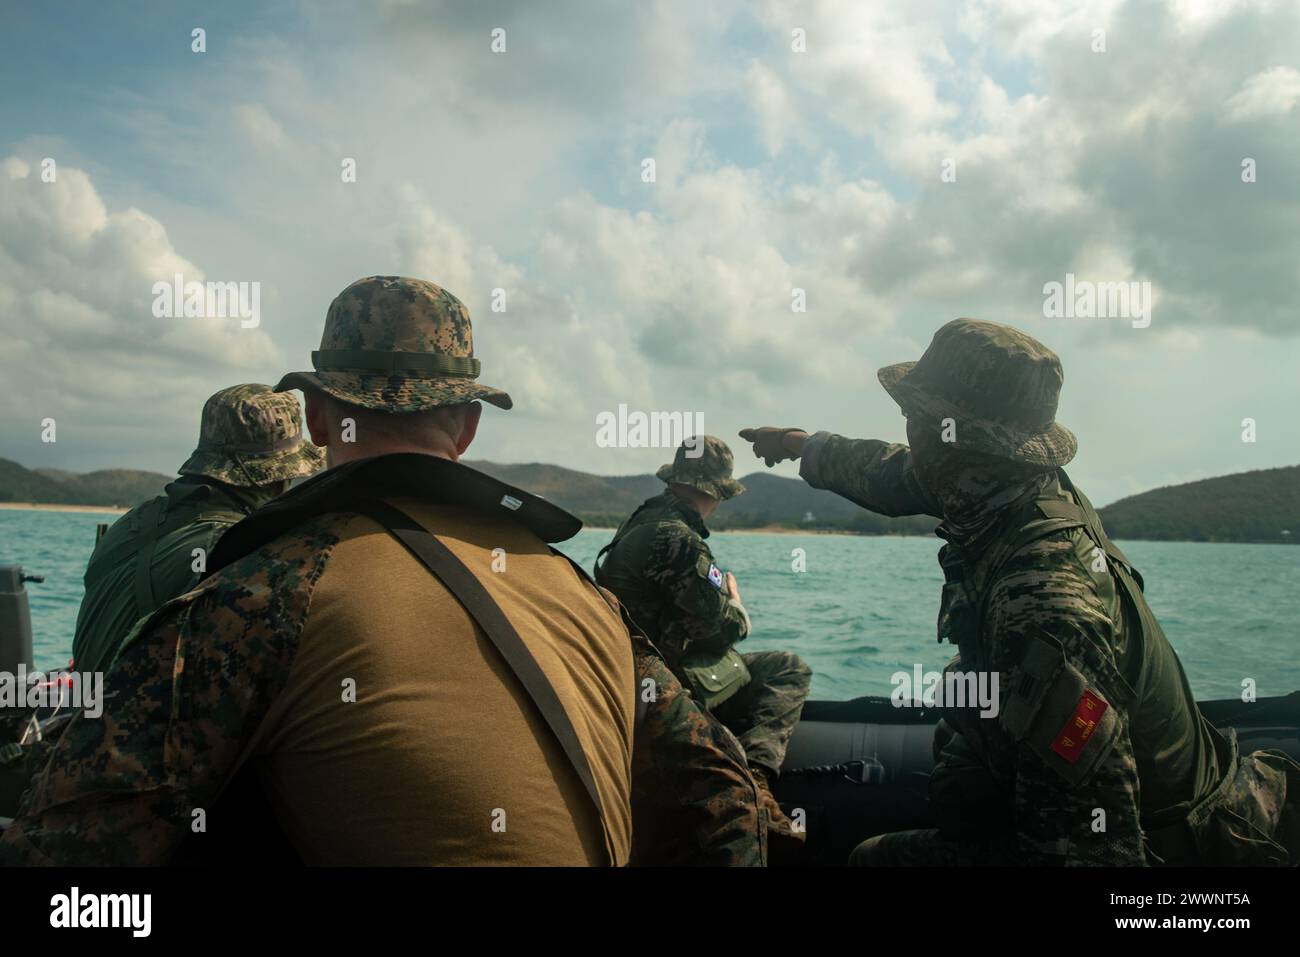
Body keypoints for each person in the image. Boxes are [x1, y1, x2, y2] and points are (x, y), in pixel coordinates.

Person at [0, 276, 763, 867]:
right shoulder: (581, 593)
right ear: (467, 427)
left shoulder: (261, 594)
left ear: (319, 417)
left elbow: (65, 856)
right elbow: (726, 790)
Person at [741, 318, 1300, 865]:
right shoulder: (1007, 481)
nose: (907, 429)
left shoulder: (1044, 604)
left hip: (1165, 851)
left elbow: (1089, 852)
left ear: (948, 436)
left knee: (871, 859)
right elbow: (893, 473)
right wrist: (799, 444)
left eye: (912, 415)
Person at [595, 435, 811, 847]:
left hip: (637, 667)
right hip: (663, 679)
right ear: (715, 493)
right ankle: (757, 780)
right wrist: (738, 608)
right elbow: (717, 628)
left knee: (780, 667)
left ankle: (756, 778)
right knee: (788, 669)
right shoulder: (678, 538)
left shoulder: (642, 520)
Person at [70, 384, 323, 676]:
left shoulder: (131, 522)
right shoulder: (236, 546)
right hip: (142, 703)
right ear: (276, 478)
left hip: (87, 700)